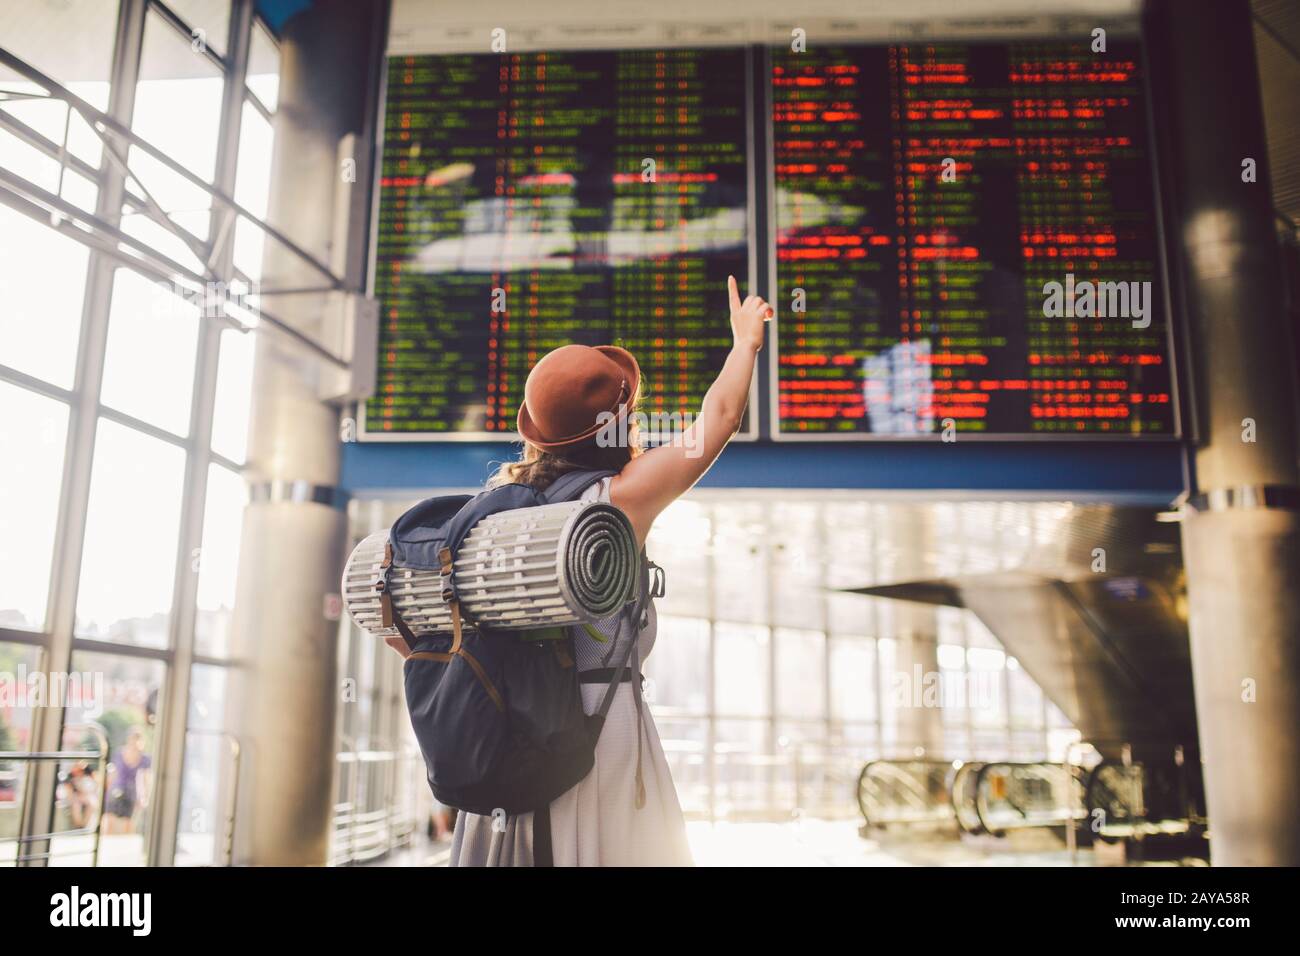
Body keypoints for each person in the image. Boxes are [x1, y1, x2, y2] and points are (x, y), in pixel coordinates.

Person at [451, 276, 773, 866]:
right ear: (618, 426)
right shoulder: (616, 499)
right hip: (598, 739)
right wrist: (744, 342)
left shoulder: (492, 511)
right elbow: (720, 417)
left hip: (502, 746)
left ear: (537, 431)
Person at [103, 727, 151, 835]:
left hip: (130, 791)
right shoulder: (120, 754)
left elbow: (146, 779)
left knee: (126, 822)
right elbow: (113, 774)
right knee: (111, 818)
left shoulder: (144, 758)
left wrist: (144, 797)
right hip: (119, 788)